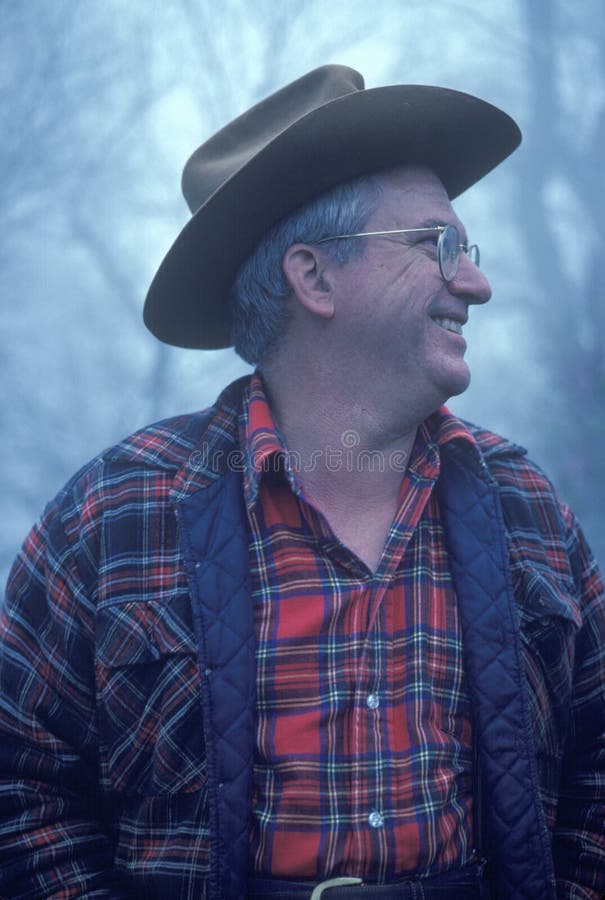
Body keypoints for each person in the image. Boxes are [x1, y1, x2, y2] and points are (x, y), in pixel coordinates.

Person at [0, 65, 603, 900]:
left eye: (467, 249)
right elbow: (21, 788)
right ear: (313, 277)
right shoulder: (113, 516)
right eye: (438, 246)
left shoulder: (526, 507)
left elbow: (596, 772)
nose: (475, 281)